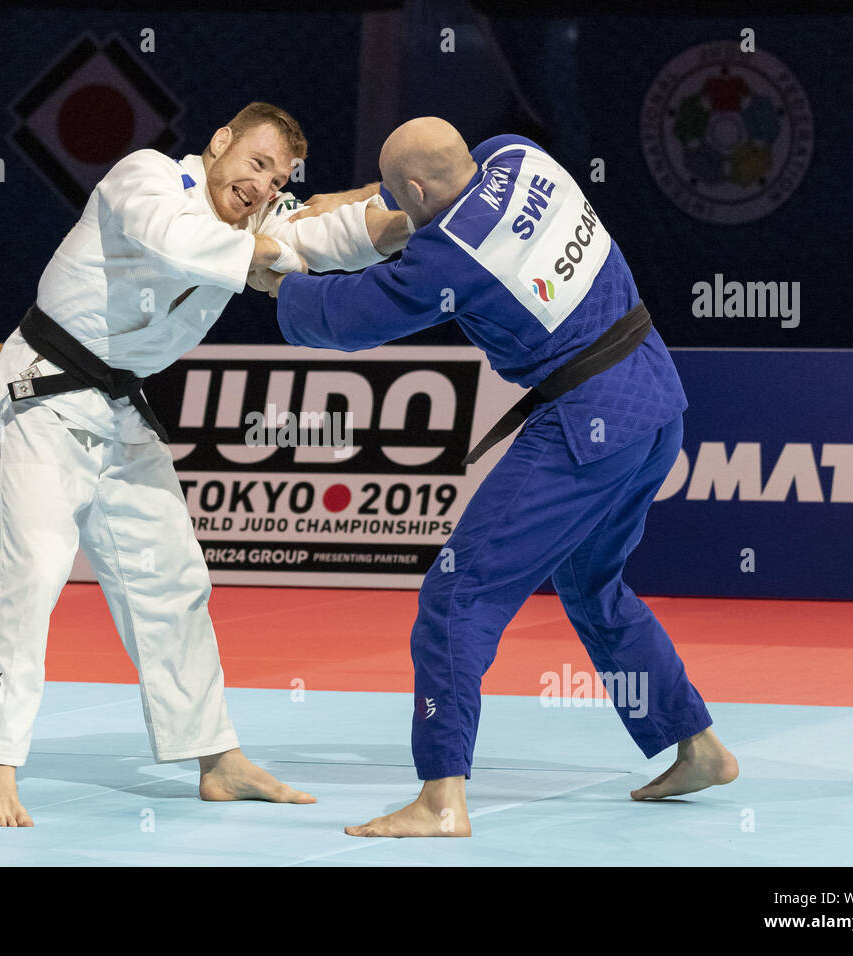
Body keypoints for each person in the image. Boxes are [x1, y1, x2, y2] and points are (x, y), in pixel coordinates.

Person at [259, 117, 738, 838]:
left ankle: (440, 799)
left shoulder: (453, 257)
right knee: (592, 585)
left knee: (456, 597)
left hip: (587, 421)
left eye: (400, 194)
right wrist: (344, 211)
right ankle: (697, 744)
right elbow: (410, 205)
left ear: (417, 189)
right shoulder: (518, 154)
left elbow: (343, 318)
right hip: (656, 395)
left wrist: (273, 279)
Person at [0, 102, 412, 826]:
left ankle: (216, 759)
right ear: (220, 143)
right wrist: (283, 240)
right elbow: (177, 244)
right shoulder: (148, 178)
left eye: (279, 178)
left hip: (121, 411)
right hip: (43, 397)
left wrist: (415, 214)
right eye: (257, 165)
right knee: (35, 570)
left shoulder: (248, 225)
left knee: (173, 580)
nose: (263, 186)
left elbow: (330, 240)